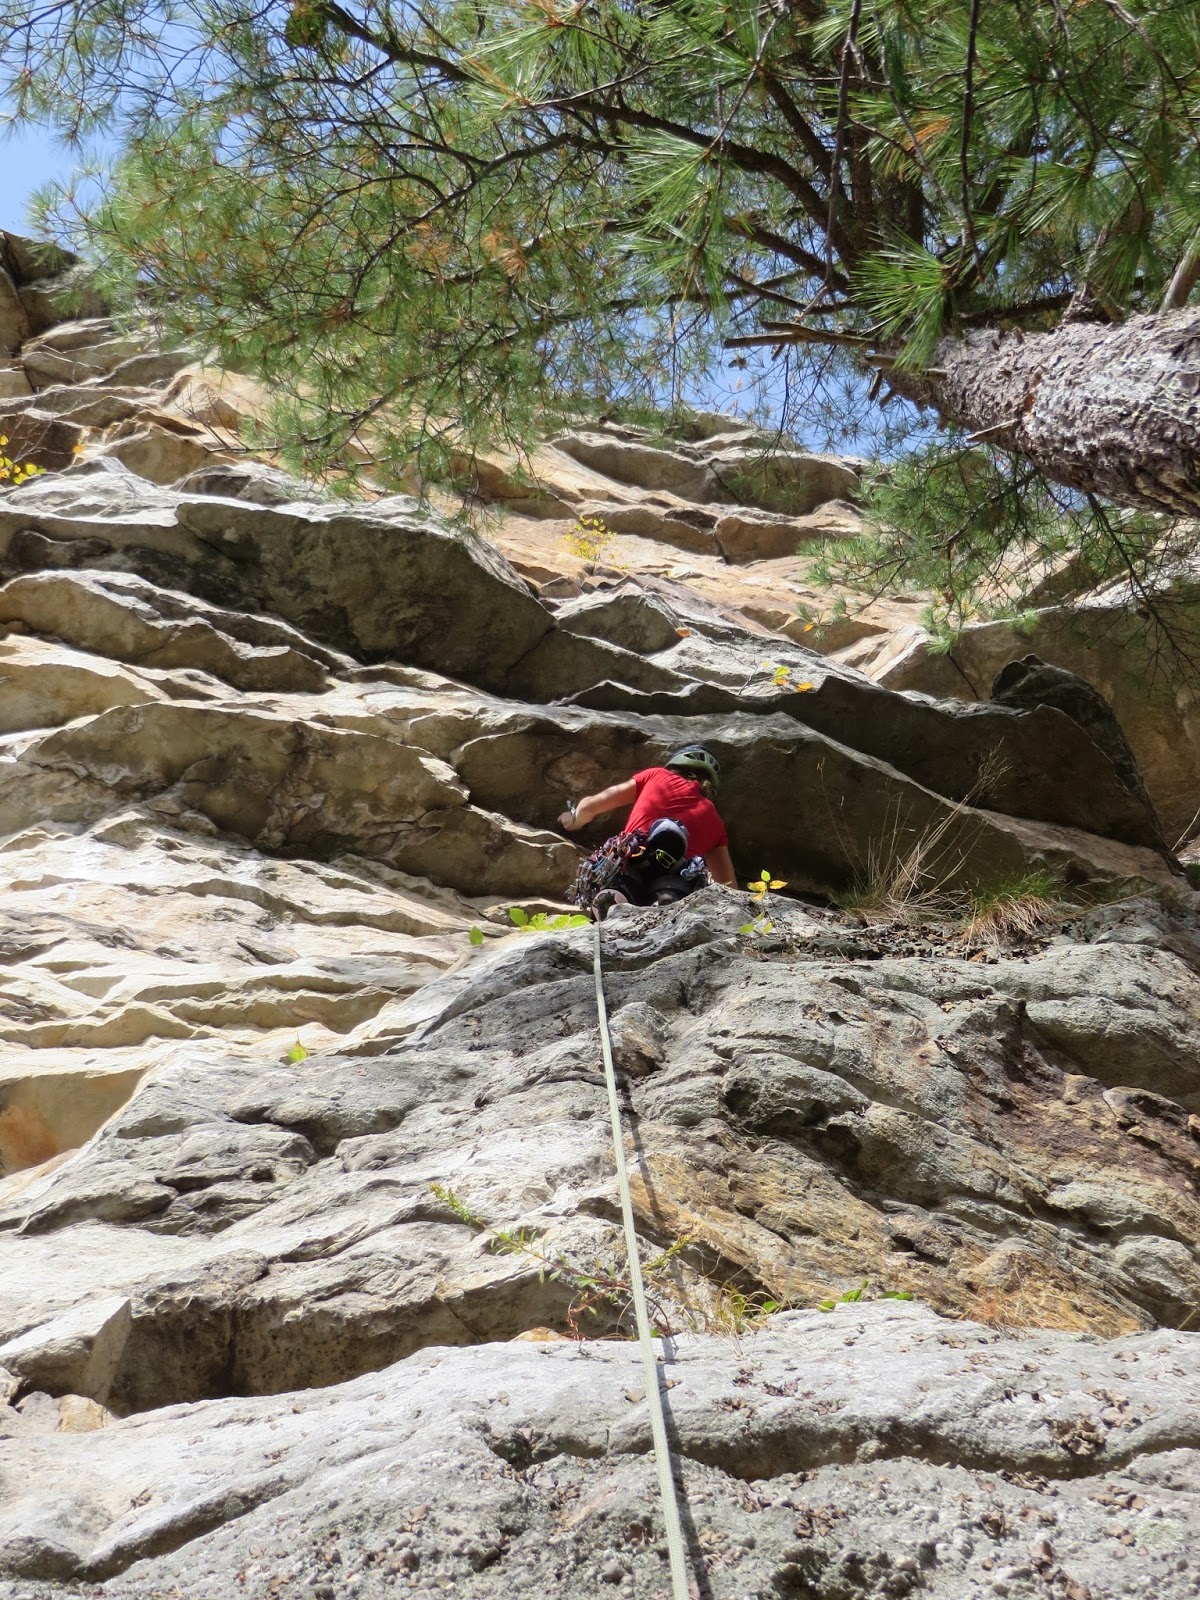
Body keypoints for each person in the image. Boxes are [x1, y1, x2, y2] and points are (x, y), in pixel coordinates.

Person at [559, 745, 736, 917]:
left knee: (618, 888)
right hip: (676, 874)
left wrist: (573, 819)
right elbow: (729, 889)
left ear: (675, 765)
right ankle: (665, 903)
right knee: (674, 893)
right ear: (711, 785)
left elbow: (590, 807)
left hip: (631, 859)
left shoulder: (657, 775)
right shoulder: (715, 821)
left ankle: (615, 900)